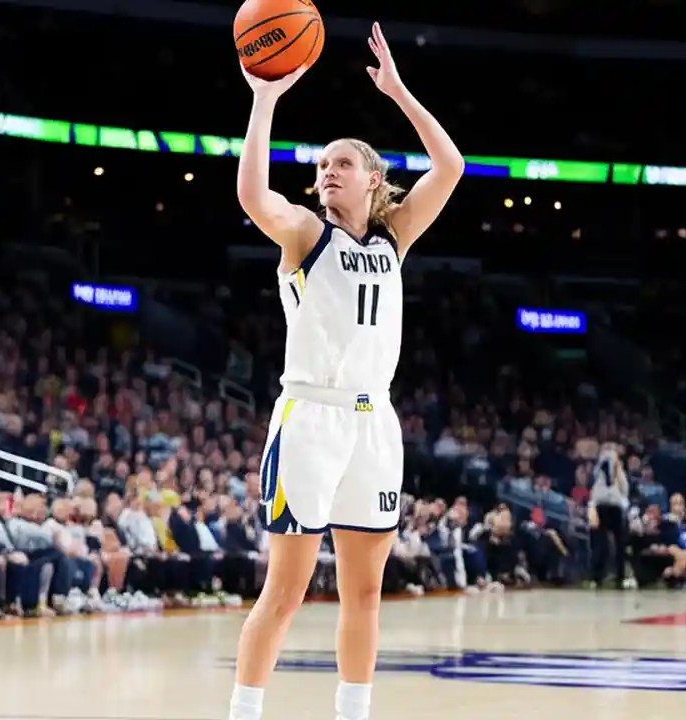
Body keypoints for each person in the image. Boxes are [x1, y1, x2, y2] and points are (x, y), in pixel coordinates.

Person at [228, 21, 463, 720]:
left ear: (374, 179)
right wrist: (263, 99)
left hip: (373, 423)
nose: (328, 170)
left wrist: (398, 93)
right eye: (323, 164)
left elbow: (450, 166)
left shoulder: (395, 236)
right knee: (287, 590)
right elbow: (251, 197)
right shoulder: (306, 232)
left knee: (365, 593)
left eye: (343, 163)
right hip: (310, 418)